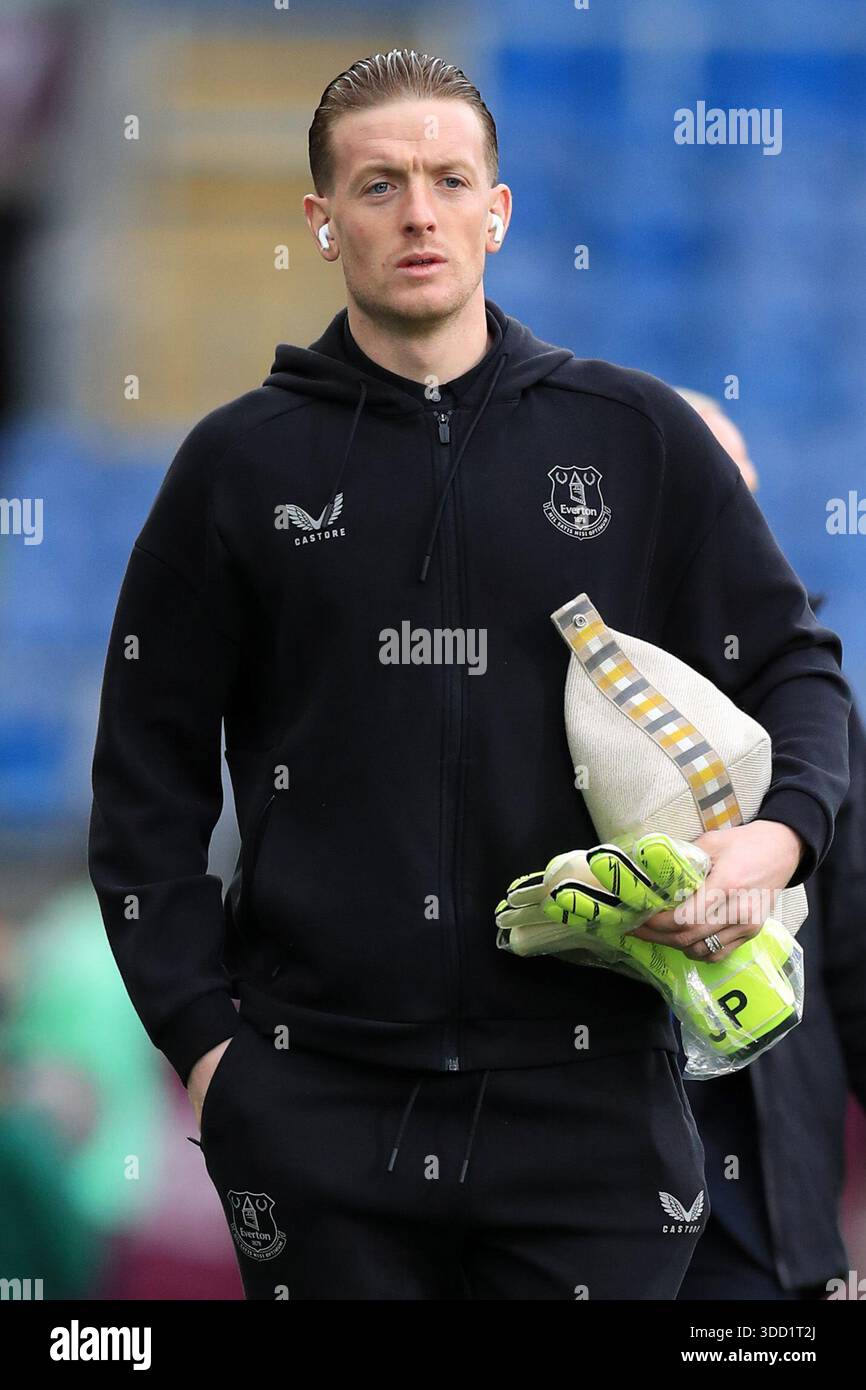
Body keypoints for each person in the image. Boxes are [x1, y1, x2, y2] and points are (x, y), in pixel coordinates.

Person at [88, 49, 851, 1301]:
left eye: (450, 180)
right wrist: (213, 1053)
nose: (419, 212)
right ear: (321, 221)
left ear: (498, 209)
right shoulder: (233, 469)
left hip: (590, 1103)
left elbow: (795, 671)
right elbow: (141, 792)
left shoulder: (633, 435)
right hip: (314, 1100)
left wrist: (771, 848)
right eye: (379, 184)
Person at [672, 389, 866, 1302]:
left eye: (741, 486)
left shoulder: (810, 703)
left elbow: (856, 949)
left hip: (768, 1203)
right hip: (577, 1188)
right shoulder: (533, 690)